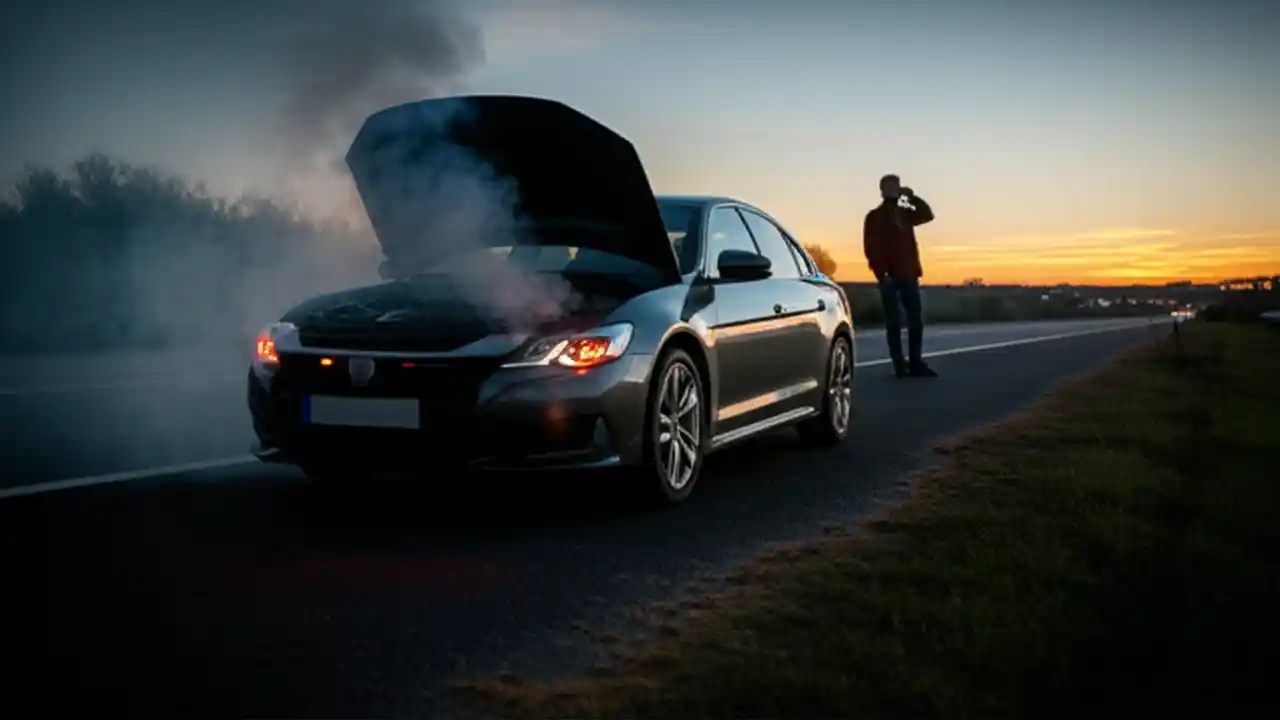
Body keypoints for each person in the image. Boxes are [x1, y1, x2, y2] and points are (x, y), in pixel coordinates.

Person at [863, 174, 938, 378]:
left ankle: (916, 362)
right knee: (894, 321)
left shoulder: (905, 214)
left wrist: (912, 196)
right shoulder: (875, 216)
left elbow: (927, 215)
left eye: (895, 187)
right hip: (889, 276)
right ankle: (899, 364)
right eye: (888, 187)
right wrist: (881, 273)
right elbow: (871, 247)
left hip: (909, 274)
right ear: (882, 191)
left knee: (915, 320)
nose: (892, 190)